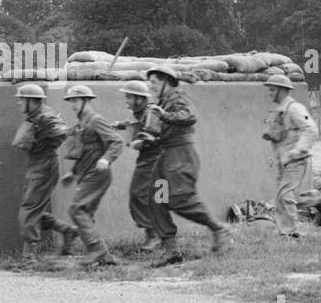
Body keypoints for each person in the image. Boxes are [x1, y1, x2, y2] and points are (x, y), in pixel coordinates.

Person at [144, 64, 233, 265]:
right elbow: (163, 129)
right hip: (165, 157)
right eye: (150, 82)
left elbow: (190, 116)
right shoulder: (163, 101)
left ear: (167, 82)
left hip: (181, 157)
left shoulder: (178, 97)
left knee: (180, 199)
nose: (151, 86)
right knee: (157, 200)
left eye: (155, 82)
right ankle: (171, 251)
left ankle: (219, 228)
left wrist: (164, 115)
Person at [10, 83, 76, 260]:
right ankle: (67, 230)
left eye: (22, 99)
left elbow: (63, 131)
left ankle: (28, 257)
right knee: (33, 208)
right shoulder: (38, 116)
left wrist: (65, 131)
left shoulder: (45, 117)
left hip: (43, 166)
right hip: (38, 164)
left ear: (33, 101)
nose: (19, 103)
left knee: (29, 209)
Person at [60, 84, 124, 265]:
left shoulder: (95, 120)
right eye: (70, 101)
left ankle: (97, 252)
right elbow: (83, 152)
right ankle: (103, 257)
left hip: (97, 175)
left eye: (75, 100)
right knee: (85, 213)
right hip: (86, 174)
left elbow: (116, 141)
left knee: (76, 209)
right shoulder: (82, 124)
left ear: (86, 100)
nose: (72, 105)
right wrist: (72, 173)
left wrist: (106, 159)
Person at [260, 75, 321, 238]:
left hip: (296, 160)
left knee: (285, 195)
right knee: (280, 198)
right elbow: (280, 137)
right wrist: (276, 157)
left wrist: (298, 151)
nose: (269, 93)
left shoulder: (294, 108)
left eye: (272, 89)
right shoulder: (278, 110)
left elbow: (311, 129)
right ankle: (314, 204)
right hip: (283, 161)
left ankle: (291, 233)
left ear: (282, 90)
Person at [114, 79, 163, 252]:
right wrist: (119, 125)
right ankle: (159, 235)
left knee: (139, 194)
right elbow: (133, 124)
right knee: (156, 198)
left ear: (140, 99)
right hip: (150, 160)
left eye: (129, 97)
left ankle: (154, 236)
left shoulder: (151, 114)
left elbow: (152, 135)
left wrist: (141, 143)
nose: (126, 101)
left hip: (154, 160)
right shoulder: (140, 113)